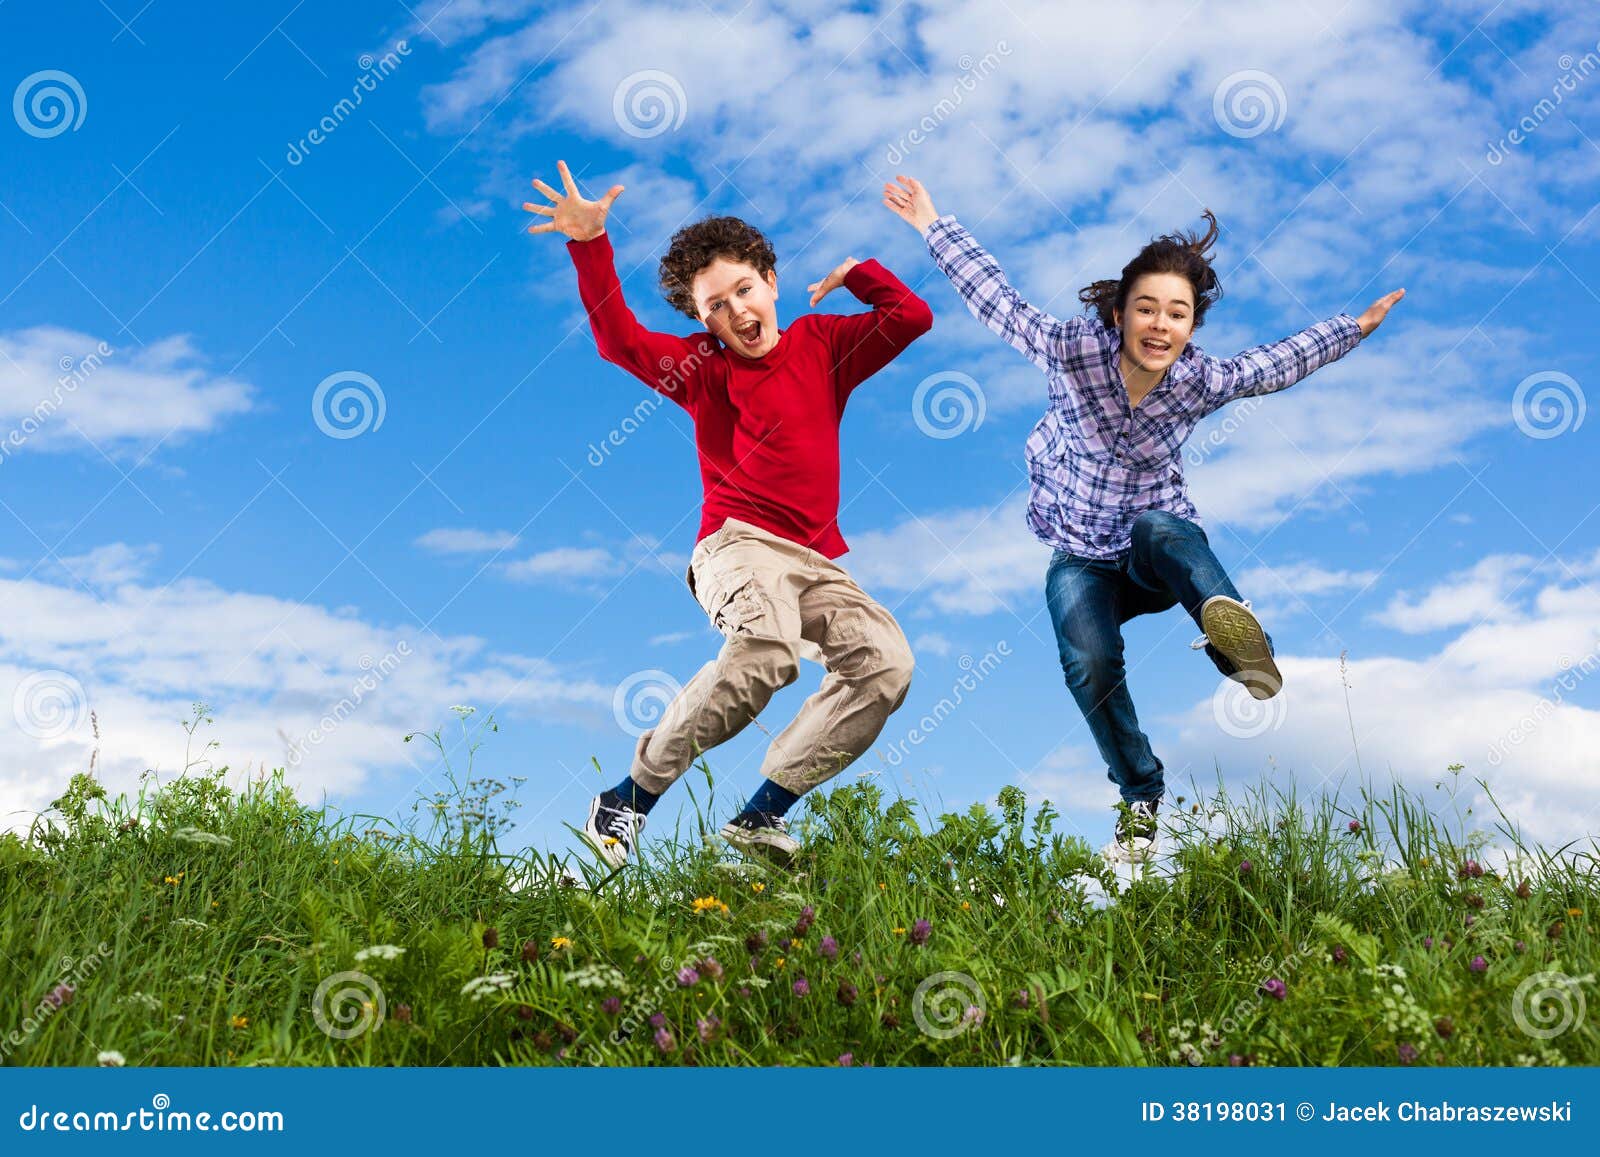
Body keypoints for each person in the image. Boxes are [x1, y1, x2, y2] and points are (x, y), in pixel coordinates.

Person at [882, 174, 1403, 863]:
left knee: (1164, 527)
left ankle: (1240, 645)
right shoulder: (1072, 350)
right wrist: (931, 223)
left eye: (1178, 314)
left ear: (1192, 326)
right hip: (1079, 556)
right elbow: (997, 302)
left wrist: (1354, 327)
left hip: (1153, 554)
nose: (1161, 325)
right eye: (1148, 309)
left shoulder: (1199, 379)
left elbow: (1272, 365)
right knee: (1088, 662)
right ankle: (1140, 793)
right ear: (1121, 313)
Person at [524, 161, 933, 868]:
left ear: (770, 282)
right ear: (699, 317)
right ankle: (627, 798)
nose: (738, 312)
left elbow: (911, 317)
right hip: (736, 546)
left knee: (886, 663)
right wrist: (591, 245)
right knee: (768, 652)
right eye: (715, 305)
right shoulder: (703, 368)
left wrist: (858, 271)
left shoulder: (825, 345)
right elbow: (618, 341)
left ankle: (761, 816)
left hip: (816, 560)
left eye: (745, 290)